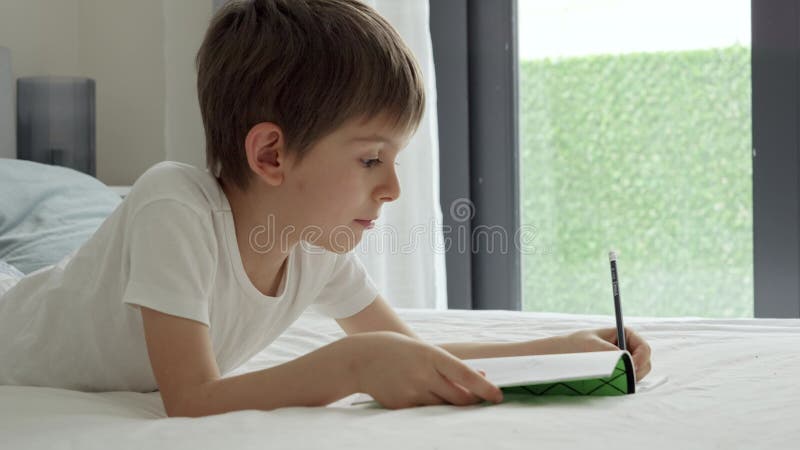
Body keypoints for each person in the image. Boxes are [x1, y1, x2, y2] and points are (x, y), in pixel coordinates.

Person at [0, 0, 651, 417]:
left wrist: (561, 349)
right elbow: (192, 399)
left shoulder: (314, 247)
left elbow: (412, 353)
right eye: (370, 159)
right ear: (272, 155)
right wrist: (354, 365)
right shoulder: (174, 207)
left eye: (395, 161)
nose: (392, 189)